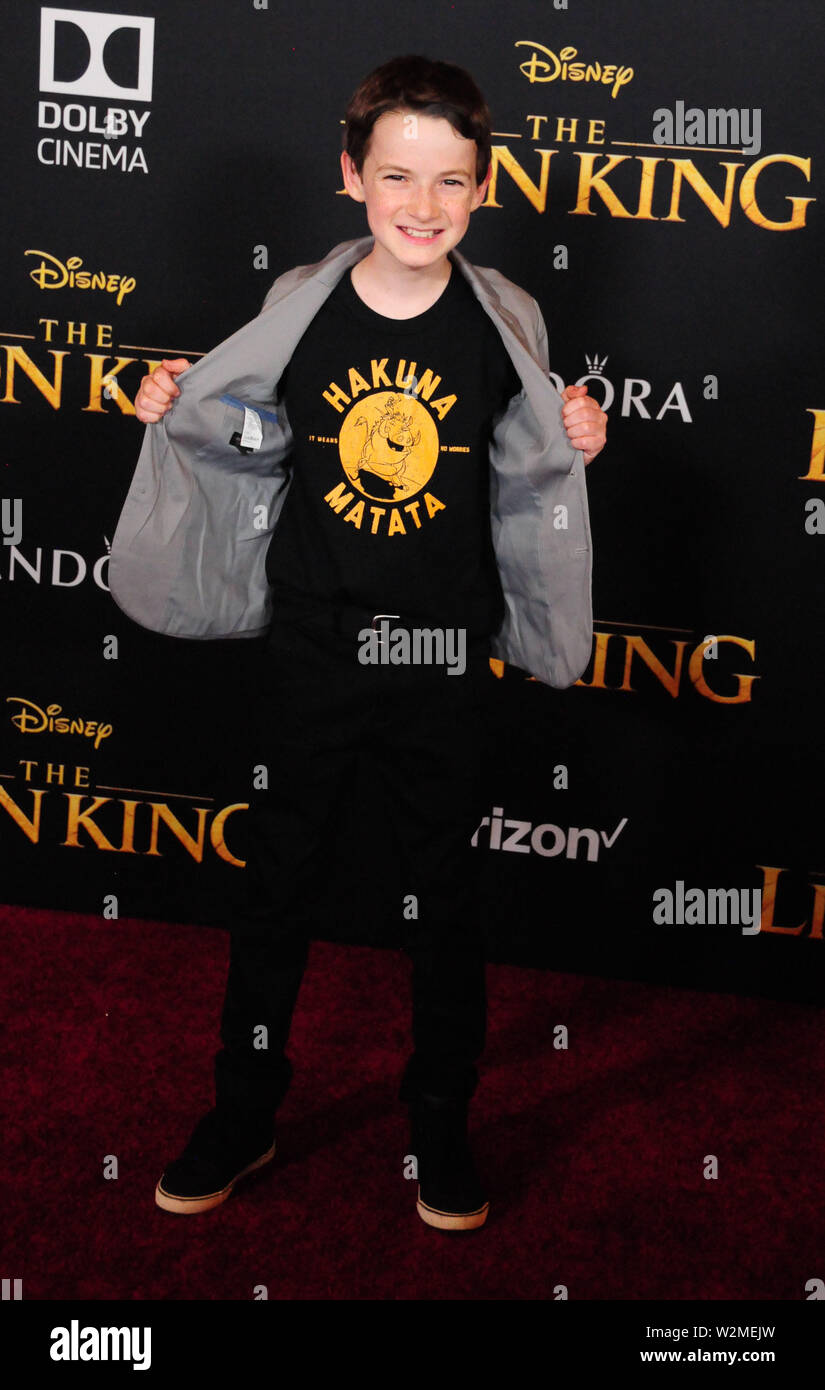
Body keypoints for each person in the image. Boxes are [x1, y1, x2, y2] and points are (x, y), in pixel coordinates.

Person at [111, 54, 607, 1231]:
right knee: (277, 891)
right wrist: (165, 396)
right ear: (352, 177)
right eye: (397, 175)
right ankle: (245, 1109)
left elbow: (536, 452)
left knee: (445, 899)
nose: (422, 205)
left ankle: (440, 1118)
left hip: (442, 663)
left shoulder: (509, 318)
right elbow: (241, 429)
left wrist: (581, 429)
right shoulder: (299, 301)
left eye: (450, 182)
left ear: (481, 192)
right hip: (316, 653)